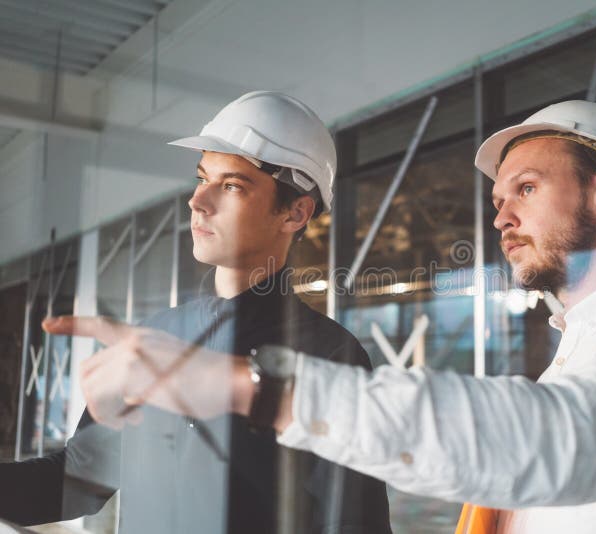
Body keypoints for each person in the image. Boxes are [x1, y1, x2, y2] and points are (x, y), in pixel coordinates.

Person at [46, 101, 596, 533]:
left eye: (525, 187)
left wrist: (250, 387)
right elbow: (82, 480)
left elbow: (565, 439)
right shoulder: (580, 351)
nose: (500, 215)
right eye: (498, 200)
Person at [2, 91, 392, 534]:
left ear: (296, 213)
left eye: (231, 186)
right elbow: (77, 481)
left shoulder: (330, 356)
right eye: (201, 178)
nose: (198, 201)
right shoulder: (158, 337)